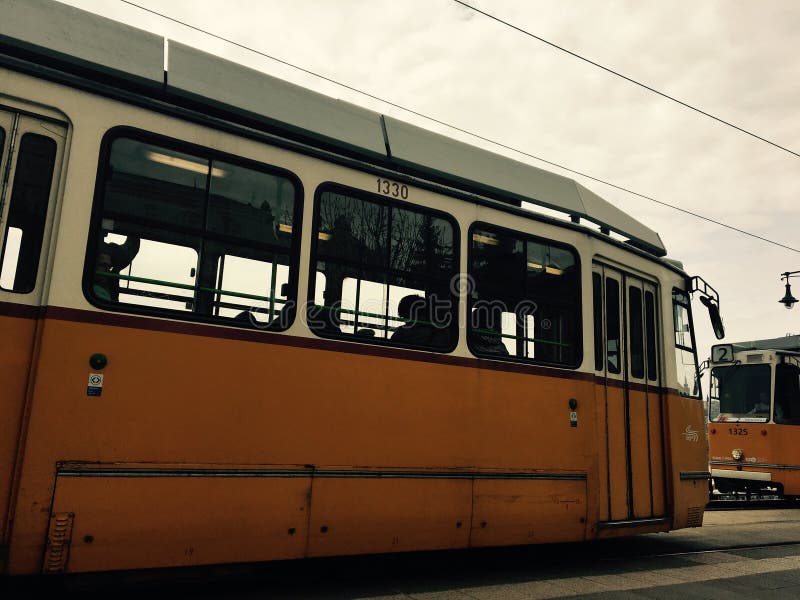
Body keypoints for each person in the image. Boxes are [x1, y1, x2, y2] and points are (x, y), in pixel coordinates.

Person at [93, 233, 140, 302]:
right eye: (102, 265)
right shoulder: (91, 290)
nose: (107, 270)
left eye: (109, 267)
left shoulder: (111, 281)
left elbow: (132, 247)